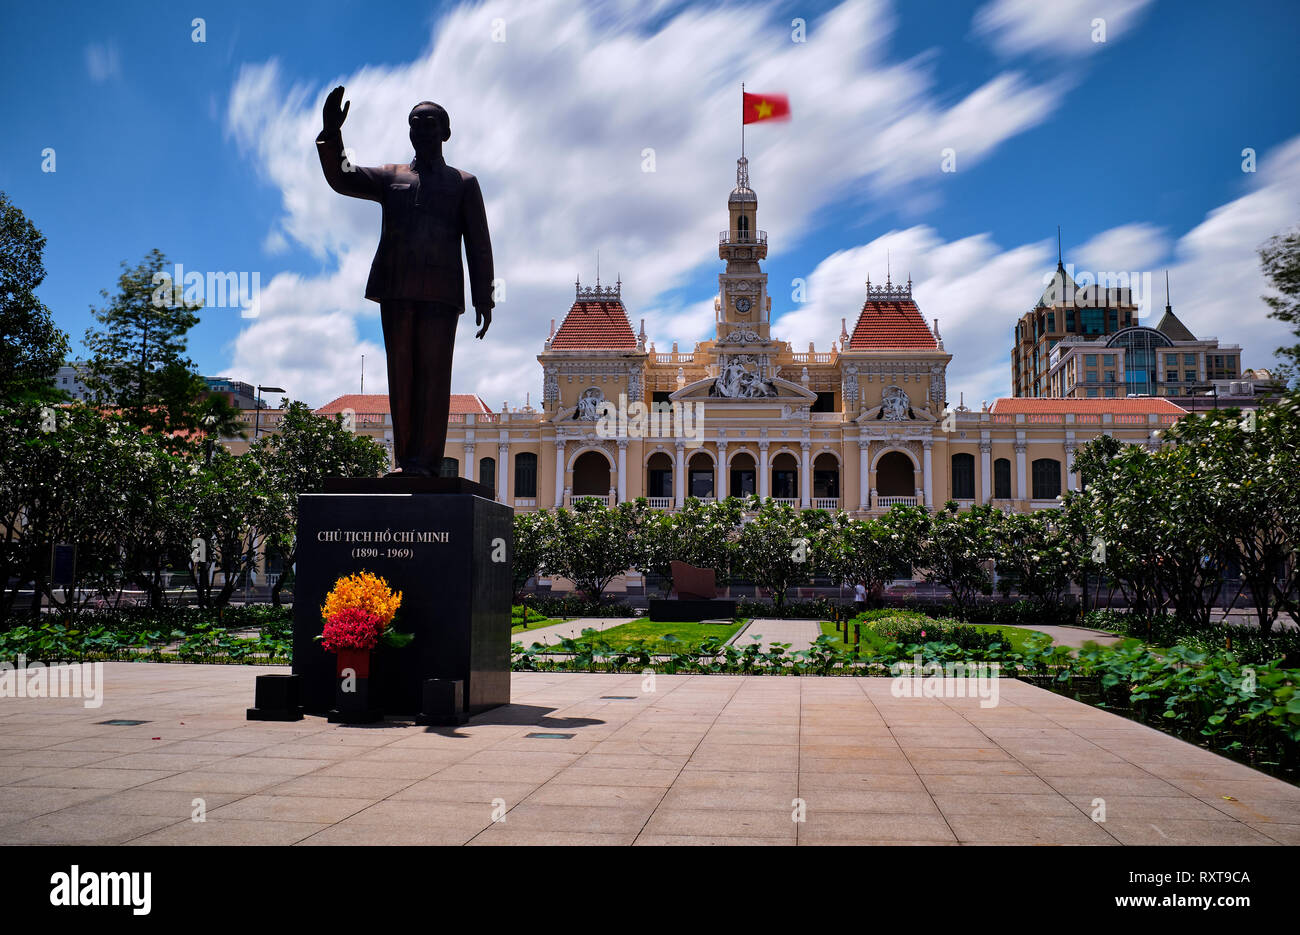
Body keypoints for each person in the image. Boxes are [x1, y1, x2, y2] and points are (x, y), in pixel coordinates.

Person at [316, 87, 495, 476]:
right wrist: (332, 134)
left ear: (446, 132)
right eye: (415, 123)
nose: (422, 130)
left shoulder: (463, 183)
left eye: (431, 124)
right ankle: (405, 462)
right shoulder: (390, 177)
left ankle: (427, 462)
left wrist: (485, 296)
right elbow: (343, 177)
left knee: (434, 376)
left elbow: (479, 244)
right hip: (396, 290)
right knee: (401, 374)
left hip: (442, 296)